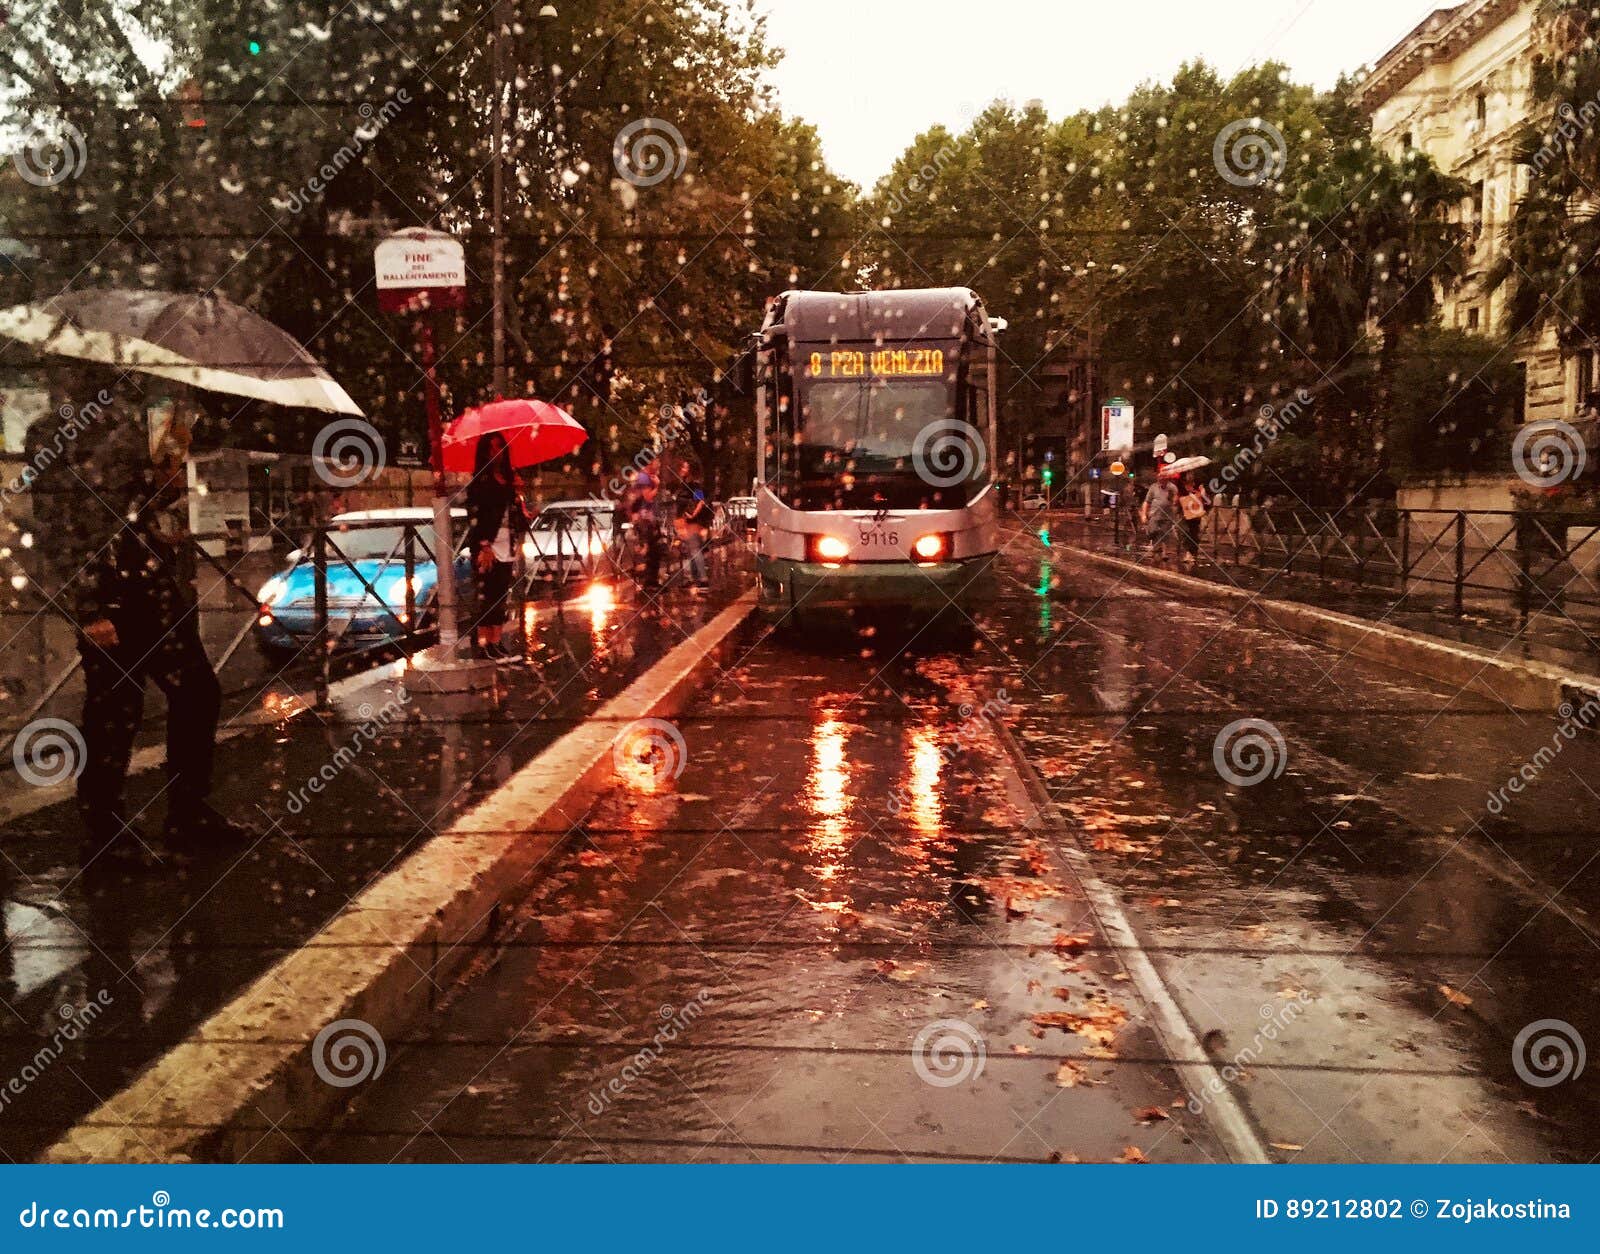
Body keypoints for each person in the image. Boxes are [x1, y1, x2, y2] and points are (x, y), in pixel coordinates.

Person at [44, 377, 240, 849]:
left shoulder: (130, 425)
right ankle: (105, 830)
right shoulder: (58, 433)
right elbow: (65, 527)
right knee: (115, 712)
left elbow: (136, 509)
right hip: (113, 597)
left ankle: (186, 813)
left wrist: (167, 472)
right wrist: (89, 608)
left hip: (155, 591)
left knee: (196, 695)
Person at [465, 432, 528, 661]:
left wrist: (519, 495)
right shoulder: (480, 481)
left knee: (500, 593)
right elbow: (475, 514)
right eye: (491, 448)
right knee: (486, 594)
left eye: (500, 447)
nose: (497, 452)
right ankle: (483, 644)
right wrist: (483, 544)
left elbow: (519, 518)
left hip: (507, 543)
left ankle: (496, 641)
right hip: (487, 545)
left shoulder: (510, 479)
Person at [675, 460, 713, 592]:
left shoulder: (694, 485)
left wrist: (692, 515)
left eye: (685, 467)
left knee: (695, 550)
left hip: (692, 522)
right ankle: (693, 579)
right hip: (686, 521)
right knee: (691, 550)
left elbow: (700, 501)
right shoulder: (684, 484)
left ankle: (703, 580)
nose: (682, 469)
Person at [627, 471, 666, 592]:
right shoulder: (639, 502)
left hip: (651, 532)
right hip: (645, 534)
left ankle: (652, 581)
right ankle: (648, 583)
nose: (647, 490)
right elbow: (636, 519)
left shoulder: (646, 501)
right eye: (646, 488)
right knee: (648, 557)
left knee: (655, 556)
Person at [1140, 472, 1179, 560]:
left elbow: (1175, 501)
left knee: (1165, 534)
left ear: (1167, 478)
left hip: (1167, 515)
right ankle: (1156, 547)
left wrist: (1174, 500)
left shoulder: (1172, 487)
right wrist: (1144, 514)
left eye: (1163, 477)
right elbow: (1147, 501)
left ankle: (1164, 553)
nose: (1161, 479)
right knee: (1153, 531)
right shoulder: (1153, 487)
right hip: (1154, 514)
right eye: (1160, 477)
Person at [1176, 472, 1211, 565]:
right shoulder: (1181, 493)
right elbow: (1177, 503)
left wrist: (1203, 494)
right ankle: (1188, 553)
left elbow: (1208, 503)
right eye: (1188, 483)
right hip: (1184, 517)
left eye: (1191, 483)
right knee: (1185, 533)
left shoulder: (1198, 493)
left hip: (1195, 519)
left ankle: (1193, 554)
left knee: (1194, 535)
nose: (1190, 485)